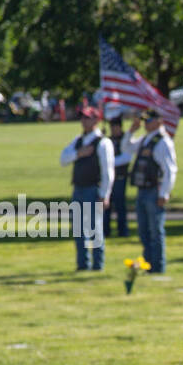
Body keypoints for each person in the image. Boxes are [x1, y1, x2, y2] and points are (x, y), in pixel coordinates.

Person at [59, 103, 113, 271]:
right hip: (79, 188)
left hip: (93, 189)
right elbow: (63, 159)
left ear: (96, 120)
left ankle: (98, 264)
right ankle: (82, 264)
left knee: (95, 228)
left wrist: (105, 194)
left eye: (87, 117)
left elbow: (108, 171)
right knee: (78, 229)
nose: (83, 121)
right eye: (82, 117)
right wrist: (78, 154)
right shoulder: (79, 140)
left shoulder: (103, 143)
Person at [129, 109, 177, 273]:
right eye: (145, 121)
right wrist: (131, 131)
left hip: (154, 190)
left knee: (156, 231)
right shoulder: (145, 139)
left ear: (159, 121)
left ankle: (158, 267)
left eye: (149, 121)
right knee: (144, 231)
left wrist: (164, 193)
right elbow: (126, 148)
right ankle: (148, 265)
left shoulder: (163, 142)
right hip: (142, 190)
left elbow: (170, 170)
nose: (145, 124)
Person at [105, 110, 132, 238]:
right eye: (112, 127)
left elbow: (126, 157)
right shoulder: (108, 140)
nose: (113, 129)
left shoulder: (125, 139)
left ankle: (123, 231)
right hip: (107, 179)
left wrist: (108, 163)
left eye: (115, 127)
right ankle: (106, 231)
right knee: (107, 206)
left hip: (120, 177)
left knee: (120, 205)